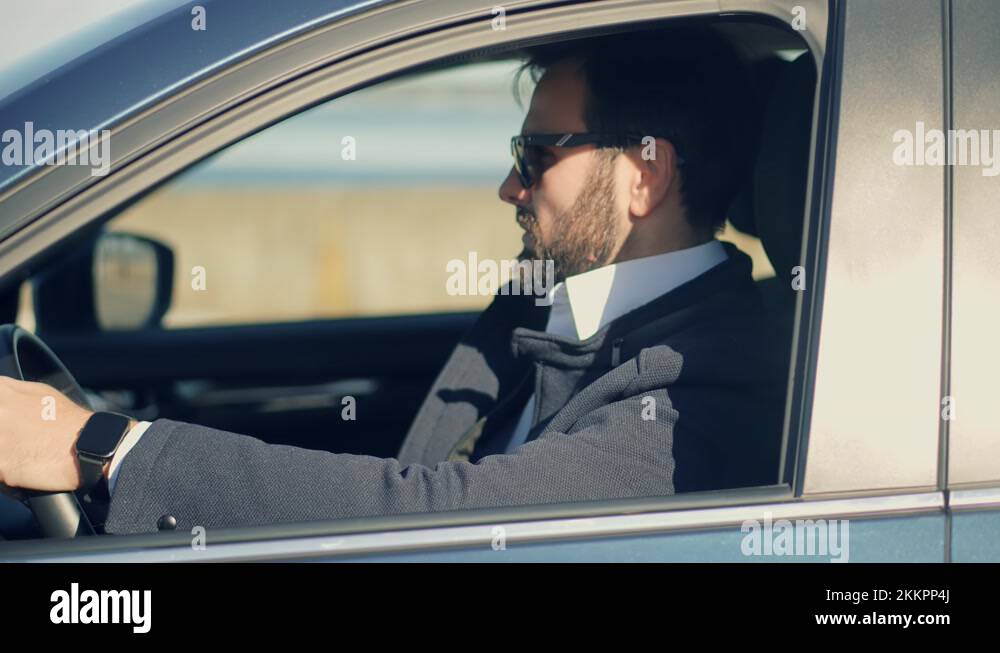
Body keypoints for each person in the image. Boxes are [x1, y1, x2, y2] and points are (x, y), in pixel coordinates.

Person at [0, 28, 790, 534]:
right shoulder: (557, 296)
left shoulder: (704, 388)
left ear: (645, 176)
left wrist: (95, 445)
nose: (510, 189)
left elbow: (449, 514)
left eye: (536, 157)